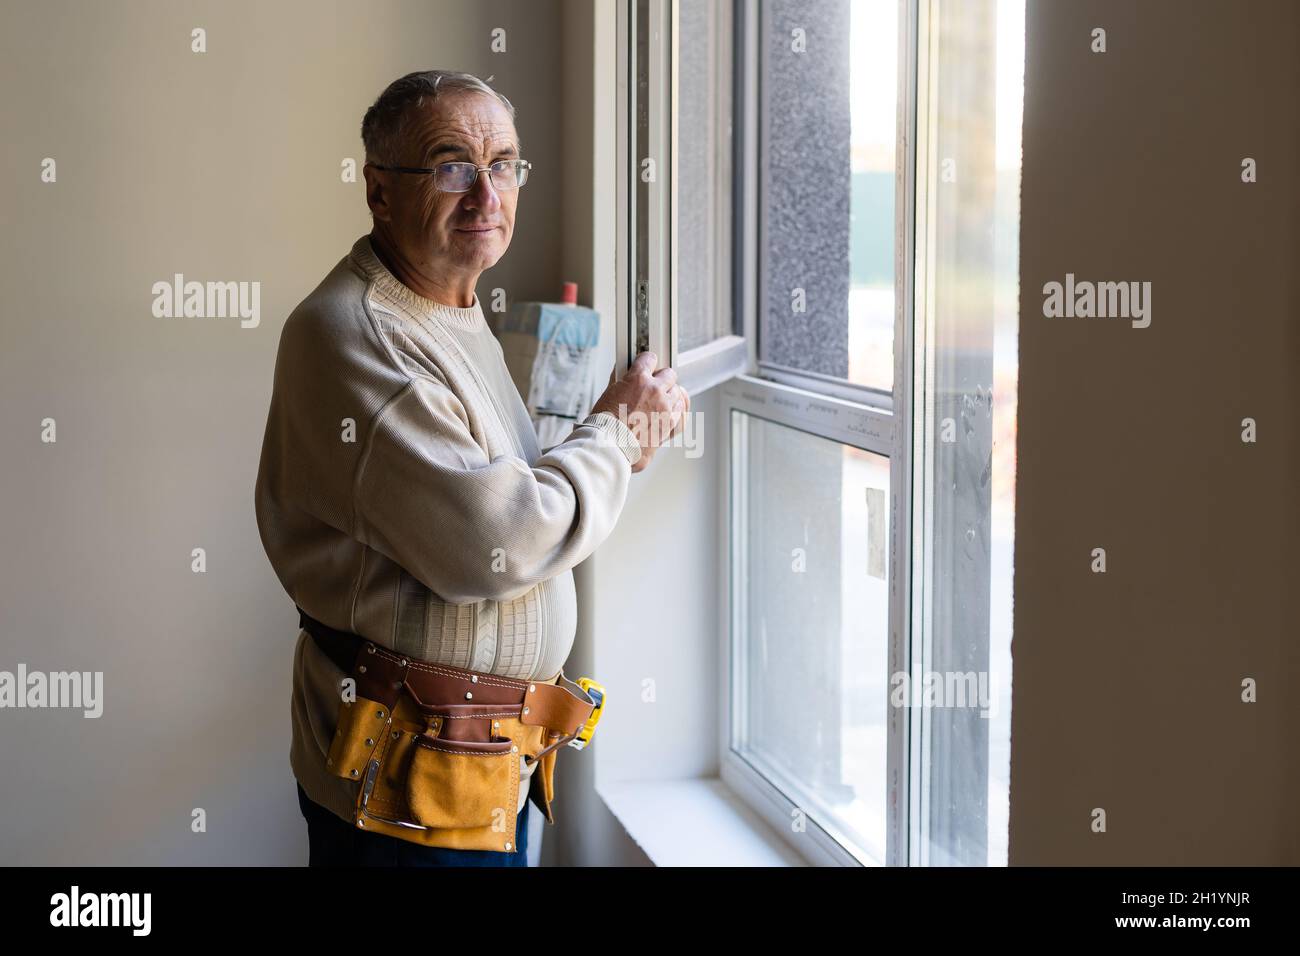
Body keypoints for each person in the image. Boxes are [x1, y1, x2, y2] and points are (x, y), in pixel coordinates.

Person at [253, 69, 688, 866]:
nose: (487, 196)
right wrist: (617, 437)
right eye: (453, 166)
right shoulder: (357, 333)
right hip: (404, 801)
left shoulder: (451, 308)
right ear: (380, 193)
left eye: (505, 165)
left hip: (477, 776)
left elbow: (493, 489)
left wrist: (599, 438)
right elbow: (498, 539)